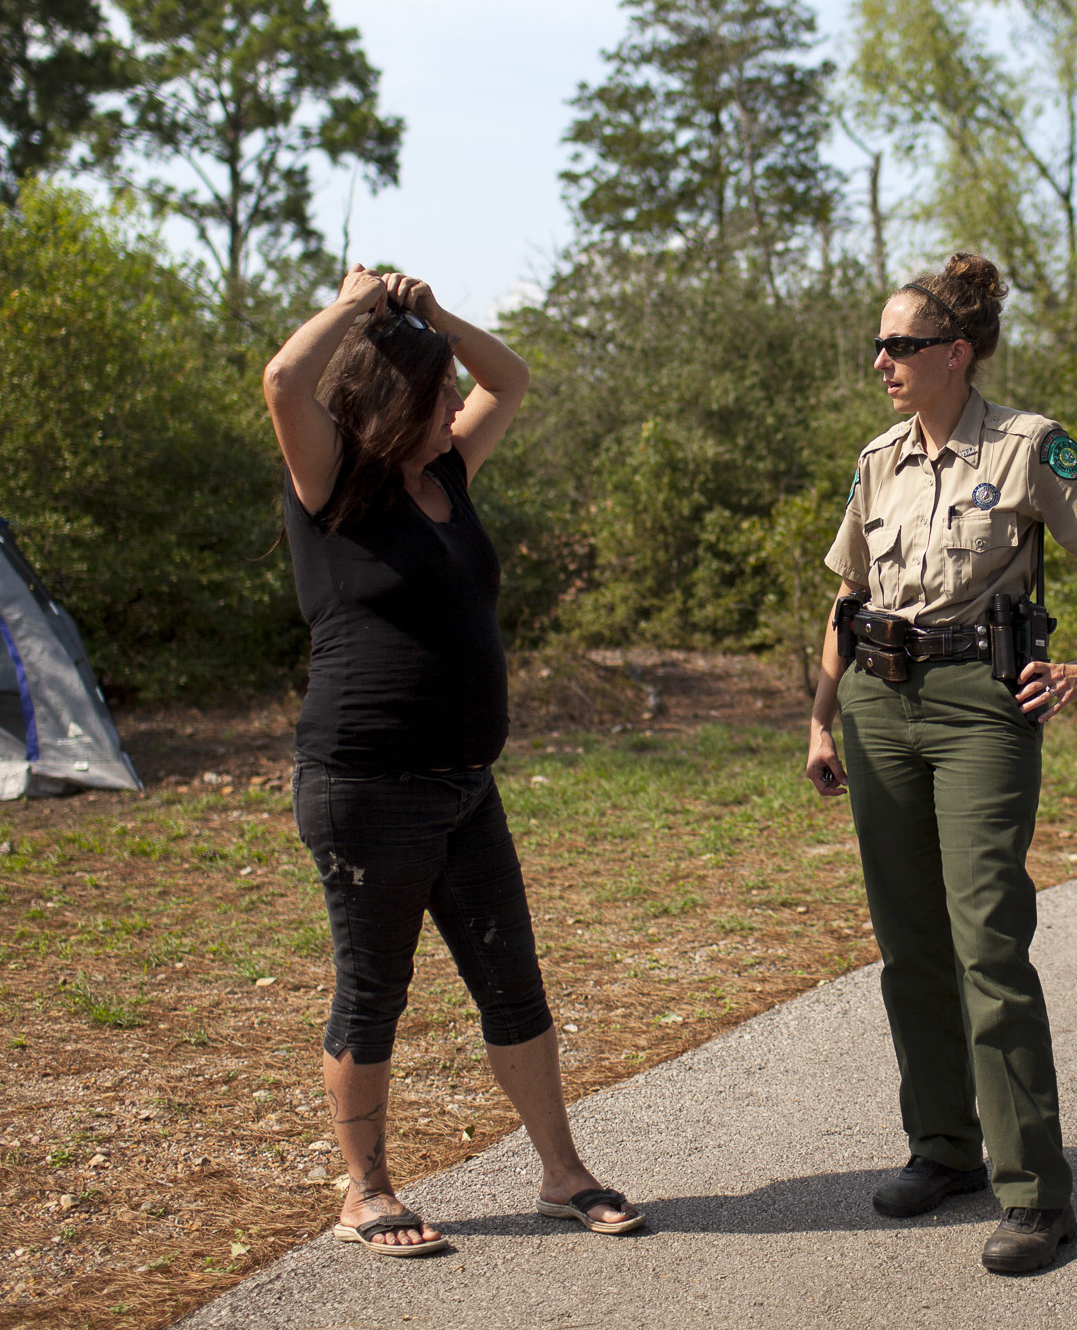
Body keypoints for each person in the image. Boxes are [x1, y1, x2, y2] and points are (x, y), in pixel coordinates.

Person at [261, 264, 643, 1257]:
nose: (452, 414)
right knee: (372, 992)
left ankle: (563, 1174)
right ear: (394, 404)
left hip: (465, 785)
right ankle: (368, 1191)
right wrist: (356, 304)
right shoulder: (333, 481)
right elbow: (283, 382)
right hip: (364, 786)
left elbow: (510, 378)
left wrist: (435, 317)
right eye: (437, 400)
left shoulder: (449, 476)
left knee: (513, 982)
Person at [803, 253, 1077, 1274]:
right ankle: (943, 1148)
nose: (881, 361)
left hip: (979, 707)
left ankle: (1037, 1193)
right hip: (878, 704)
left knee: (988, 941)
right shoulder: (878, 459)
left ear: (955, 353)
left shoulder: (1029, 445)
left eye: (900, 345)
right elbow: (848, 598)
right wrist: (821, 719)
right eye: (877, 344)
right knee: (908, 943)